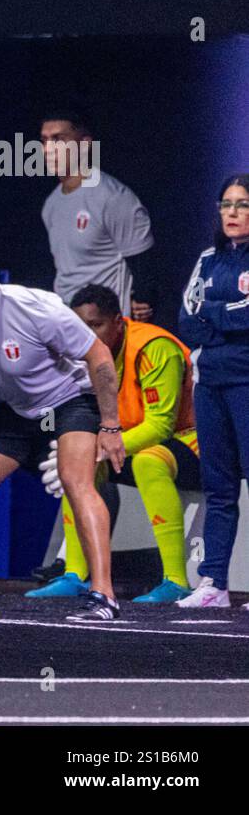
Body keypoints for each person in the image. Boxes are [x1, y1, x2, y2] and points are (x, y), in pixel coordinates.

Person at [0, 243, 127, 621]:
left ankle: (103, 595)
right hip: (19, 409)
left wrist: (110, 424)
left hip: (70, 399)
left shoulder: (33, 308)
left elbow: (99, 356)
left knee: (76, 482)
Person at [30, 284, 200, 603]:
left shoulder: (153, 346)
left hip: (193, 442)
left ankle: (176, 579)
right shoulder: (78, 355)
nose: (89, 334)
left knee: (149, 461)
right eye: (82, 327)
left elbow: (161, 425)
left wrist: (98, 449)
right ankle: (75, 575)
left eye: (97, 325)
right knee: (76, 465)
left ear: (118, 322)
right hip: (129, 442)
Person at [177, 175, 249, 609]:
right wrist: (227, 317)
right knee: (218, 486)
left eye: (243, 205)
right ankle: (214, 583)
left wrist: (214, 313)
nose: (233, 213)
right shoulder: (207, 259)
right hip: (210, 383)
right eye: (226, 205)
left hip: (247, 380)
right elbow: (187, 319)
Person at [40, 108, 157, 321]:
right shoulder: (51, 203)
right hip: (66, 323)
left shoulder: (113, 198)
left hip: (104, 327)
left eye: (58, 139)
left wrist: (141, 304)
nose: (48, 149)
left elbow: (145, 265)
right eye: (44, 140)